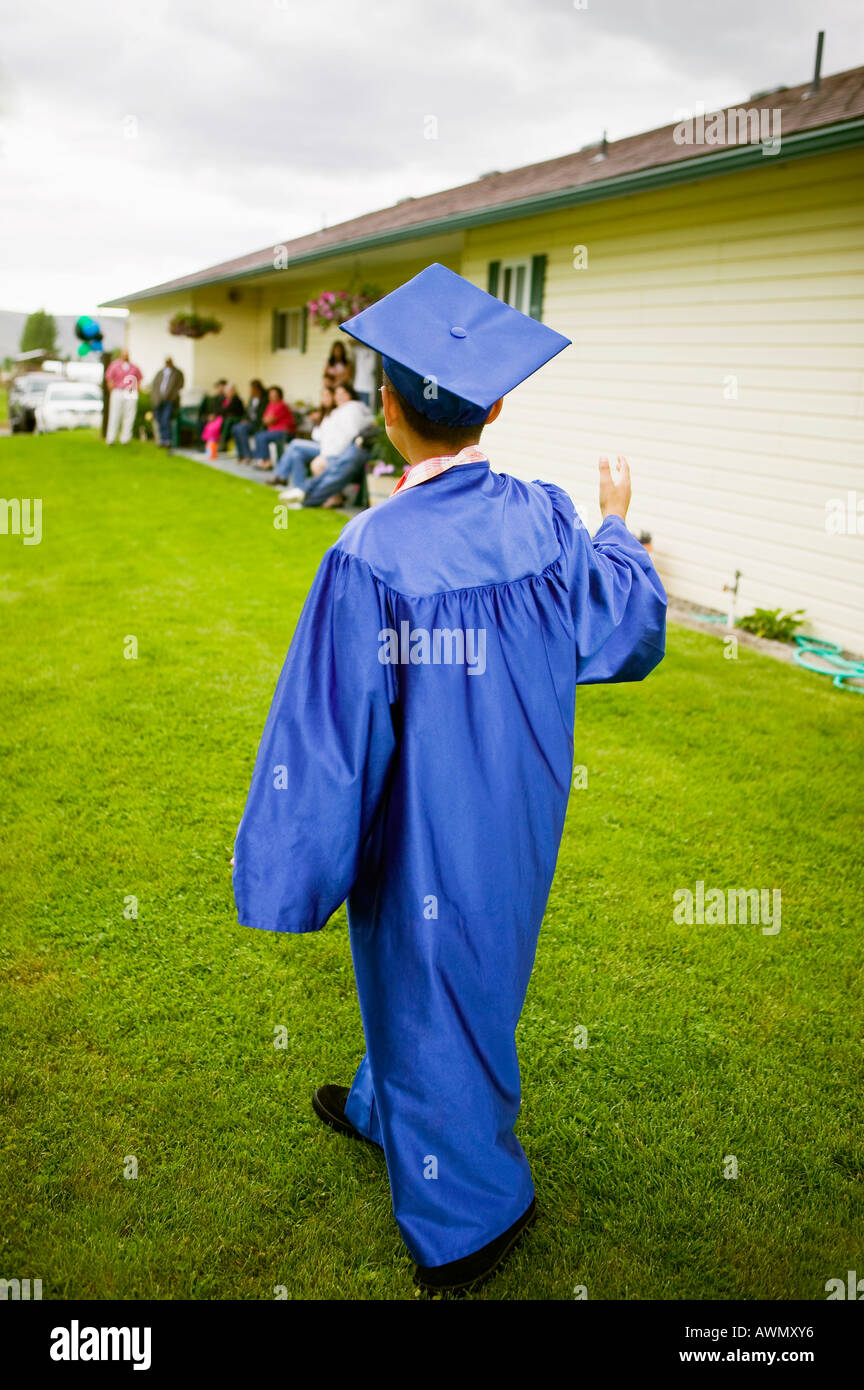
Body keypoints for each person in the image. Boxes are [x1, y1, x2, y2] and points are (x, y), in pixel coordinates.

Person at [233, 263, 667, 1295]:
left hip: (424, 814)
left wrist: (299, 856)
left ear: (385, 411)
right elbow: (624, 628)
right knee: (460, 967)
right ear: (499, 403)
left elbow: (332, 732)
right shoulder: (549, 516)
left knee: (436, 979)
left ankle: (471, 1210)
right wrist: (615, 520)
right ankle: (388, 1104)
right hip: (520, 803)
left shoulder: (370, 551)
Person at [275, 383, 373, 508]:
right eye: (337, 394)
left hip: (338, 452)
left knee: (297, 447)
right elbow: (320, 435)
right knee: (296, 453)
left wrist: (328, 454)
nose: (339, 397)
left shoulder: (351, 409)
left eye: (343, 393)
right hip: (327, 448)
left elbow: (349, 435)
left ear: (350, 394)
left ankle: (290, 483)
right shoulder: (337, 411)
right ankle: (299, 489)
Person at [105, 350, 143, 445]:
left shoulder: (134, 367)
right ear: (120, 355)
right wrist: (111, 388)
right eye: (123, 354)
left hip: (130, 391)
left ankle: (125, 439)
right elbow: (109, 378)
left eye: (126, 355)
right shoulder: (114, 365)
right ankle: (111, 438)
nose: (125, 356)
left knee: (129, 415)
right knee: (114, 414)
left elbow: (139, 378)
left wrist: (137, 388)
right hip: (118, 391)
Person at [252, 387, 295, 469]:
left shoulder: (282, 405)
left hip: (285, 432)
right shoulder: (270, 405)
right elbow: (264, 419)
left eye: (274, 395)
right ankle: (263, 461)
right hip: (274, 432)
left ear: (279, 396)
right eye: (270, 395)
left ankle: (267, 463)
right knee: (258, 435)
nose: (272, 397)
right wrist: (267, 419)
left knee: (262, 436)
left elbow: (269, 420)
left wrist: (268, 419)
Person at [150, 357, 185, 448]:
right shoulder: (160, 373)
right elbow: (154, 386)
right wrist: (155, 398)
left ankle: (167, 440)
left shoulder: (177, 373)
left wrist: (173, 397)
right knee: (159, 420)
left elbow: (179, 386)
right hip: (158, 400)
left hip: (169, 400)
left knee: (166, 420)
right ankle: (161, 440)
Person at [232, 379, 267, 462]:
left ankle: (247, 455)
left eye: (252, 388)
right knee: (235, 428)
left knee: (241, 429)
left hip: (258, 424)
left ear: (258, 389)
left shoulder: (264, 400)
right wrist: (244, 419)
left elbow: (262, 415)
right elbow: (247, 412)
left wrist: (249, 422)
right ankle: (241, 455)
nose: (250, 390)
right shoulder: (252, 399)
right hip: (250, 422)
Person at [351, 342, 378, 406]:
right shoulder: (359, 349)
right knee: (356, 408)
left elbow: (372, 368)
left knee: (366, 410)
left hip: (368, 388)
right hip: (357, 386)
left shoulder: (373, 351)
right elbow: (350, 344)